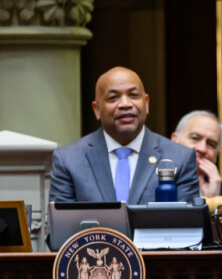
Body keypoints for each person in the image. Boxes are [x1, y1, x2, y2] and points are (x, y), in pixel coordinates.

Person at [50, 67, 200, 204]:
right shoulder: (68, 161)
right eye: (113, 98)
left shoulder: (180, 158)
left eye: (133, 95)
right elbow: (62, 229)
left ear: (146, 103)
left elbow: (187, 227)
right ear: (97, 109)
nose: (125, 104)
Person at [171, 110, 222, 199]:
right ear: (174, 140)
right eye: (195, 138)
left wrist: (211, 200)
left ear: (216, 155)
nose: (202, 149)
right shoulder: (152, 185)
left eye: (211, 144)